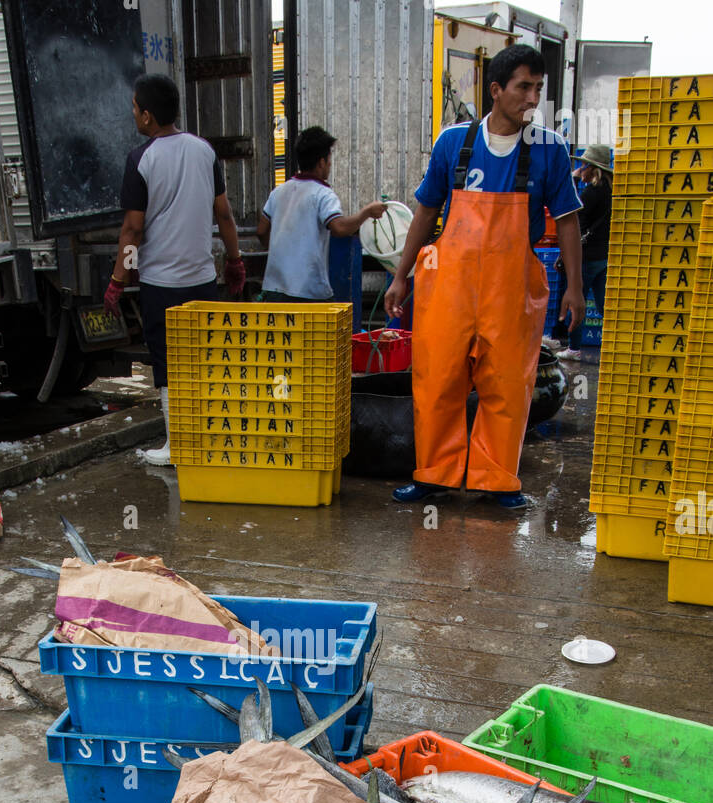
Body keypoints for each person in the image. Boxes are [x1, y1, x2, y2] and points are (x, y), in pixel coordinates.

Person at [386, 44, 586, 509]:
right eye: (523, 87)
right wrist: (402, 275)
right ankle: (433, 475)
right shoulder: (453, 142)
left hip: (510, 288)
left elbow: (569, 220)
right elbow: (425, 211)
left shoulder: (549, 150)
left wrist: (574, 288)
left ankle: (495, 480)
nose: (532, 98)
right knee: (438, 381)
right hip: (449, 286)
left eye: (538, 88)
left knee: (507, 384)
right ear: (496, 90)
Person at [103, 74, 245, 465]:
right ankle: (212, 439)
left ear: (148, 116)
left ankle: (177, 446)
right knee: (205, 359)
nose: (133, 114)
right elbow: (225, 215)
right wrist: (234, 261)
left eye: (135, 108)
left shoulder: (140, 159)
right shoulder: (204, 151)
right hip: (202, 279)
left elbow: (132, 228)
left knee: (167, 362)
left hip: (161, 284)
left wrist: (119, 277)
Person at [256, 126, 386, 302]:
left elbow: (262, 231)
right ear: (321, 162)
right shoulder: (322, 194)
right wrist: (367, 212)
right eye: (329, 159)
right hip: (308, 293)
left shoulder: (279, 192)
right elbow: (339, 228)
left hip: (273, 290)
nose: (330, 164)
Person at [557, 144, 612, 362]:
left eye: (584, 166)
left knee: (575, 299)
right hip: (603, 255)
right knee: (603, 304)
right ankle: (612, 344)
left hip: (586, 256)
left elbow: (574, 220)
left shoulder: (590, 193)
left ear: (592, 169)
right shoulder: (609, 191)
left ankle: (574, 348)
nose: (581, 169)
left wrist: (574, 178)